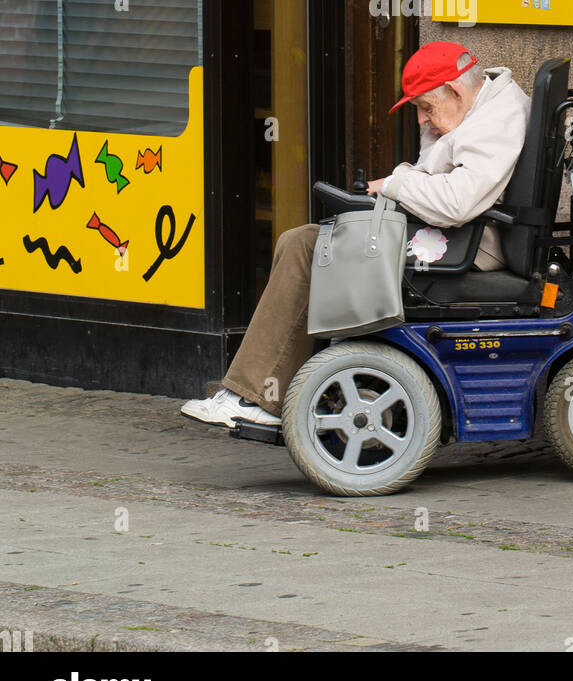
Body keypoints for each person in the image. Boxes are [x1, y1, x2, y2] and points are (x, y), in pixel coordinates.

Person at [180, 41, 531, 429]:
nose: (420, 120)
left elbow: (457, 202)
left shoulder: (494, 121)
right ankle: (269, 389)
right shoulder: (481, 107)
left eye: (424, 107)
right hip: (454, 235)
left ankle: (256, 396)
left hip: (468, 246)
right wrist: (391, 186)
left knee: (305, 247)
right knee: (303, 240)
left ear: (455, 90)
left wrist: (395, 185)